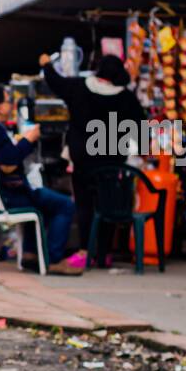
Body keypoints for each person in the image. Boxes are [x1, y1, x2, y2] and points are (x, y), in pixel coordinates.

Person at [39, 52, 147, 268]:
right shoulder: (126, 98)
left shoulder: (79, 87)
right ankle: (103, 254)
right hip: (113, 163)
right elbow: (142, 131)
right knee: (107, 206)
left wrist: (47, 65)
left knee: (85, 206)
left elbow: (55, 82)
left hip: (84, 162)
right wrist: (140, 153)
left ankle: (84, 251)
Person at [0, 84, 81, 276]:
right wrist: (29, 140)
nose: (11, 105)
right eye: (8, 101)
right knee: (64, 205)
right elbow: (8, 164)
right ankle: (51, 259)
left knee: (45, 199)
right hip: (4, 197)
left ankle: (31, 253)